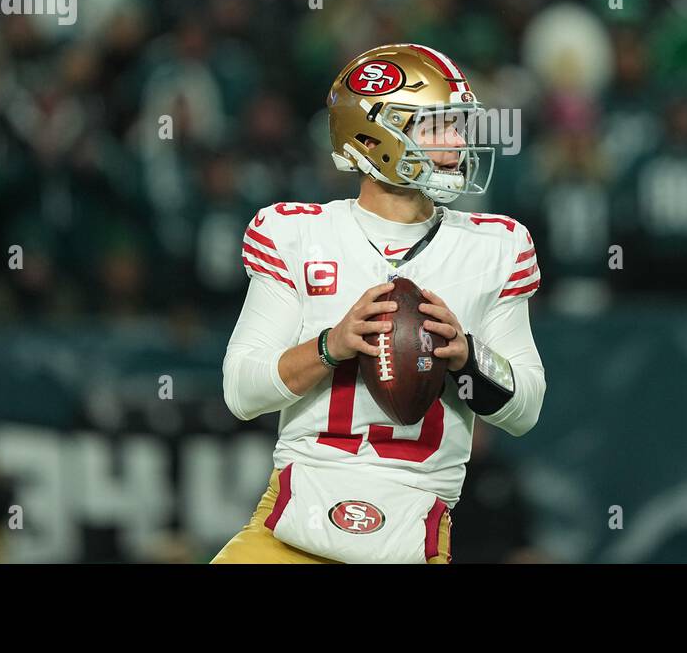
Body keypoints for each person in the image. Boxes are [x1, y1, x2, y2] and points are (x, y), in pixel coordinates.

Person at [212, 43, 545, 563]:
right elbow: (241, 390)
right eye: (436, 126)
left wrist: (467, 356)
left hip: (414, 524)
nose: (457, 141)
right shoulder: (298, 234)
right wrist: (331, 345)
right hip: (291, 526)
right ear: (375, 133)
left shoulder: (495, 247)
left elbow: (526, 409)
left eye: (458, 125)